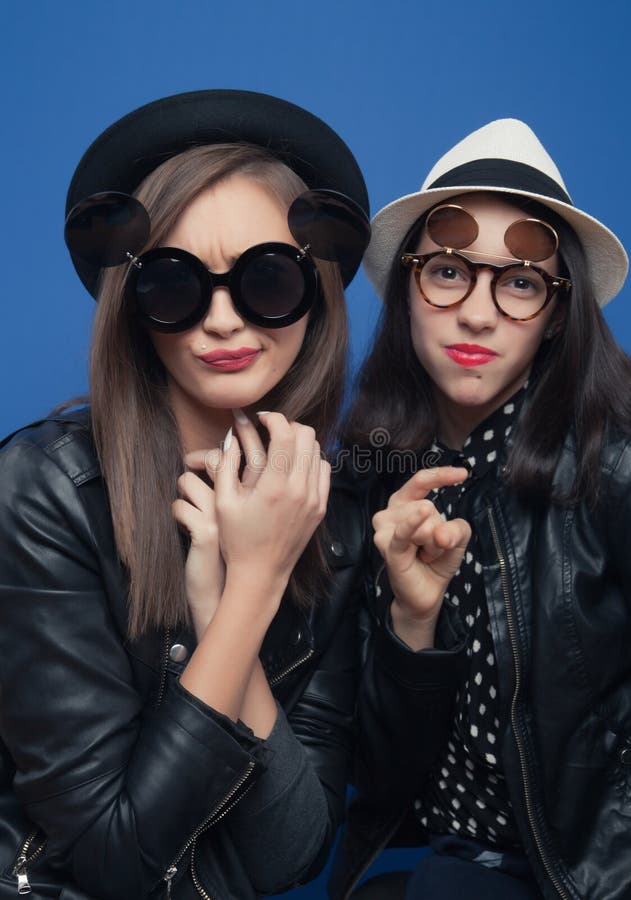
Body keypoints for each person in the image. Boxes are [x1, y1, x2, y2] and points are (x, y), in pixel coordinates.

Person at [0, 89, 371, 899]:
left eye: (267, 279)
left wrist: (222, 601)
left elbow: (294, 853)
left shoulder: (331, 513)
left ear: (317, 292)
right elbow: (113, 859)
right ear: (135, 310)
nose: (224, 321)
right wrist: (255, 587)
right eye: (175, 286)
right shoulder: (45, 490)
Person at [329, 119, 631, 900]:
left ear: (556, 314)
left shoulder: (621, 468)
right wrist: (412, 621)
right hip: (445, 863)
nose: (477, 314)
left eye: (519, 283)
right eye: (448, 271)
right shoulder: (375, 479)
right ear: (408, 290)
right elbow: (376, 771)